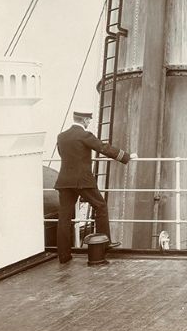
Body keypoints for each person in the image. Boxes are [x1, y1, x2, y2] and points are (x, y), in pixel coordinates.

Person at [55, 110, 137, 264]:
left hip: (64, 181)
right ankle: (105, 244)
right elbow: (102, 148)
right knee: (100, 206)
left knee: (64, 217)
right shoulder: (84, 135)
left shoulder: (61, 136)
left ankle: (64, 256)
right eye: (88, 120)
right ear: (84, 120)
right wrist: (126, 156)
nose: (89, 123)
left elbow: (62, 154)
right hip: (82, 181)